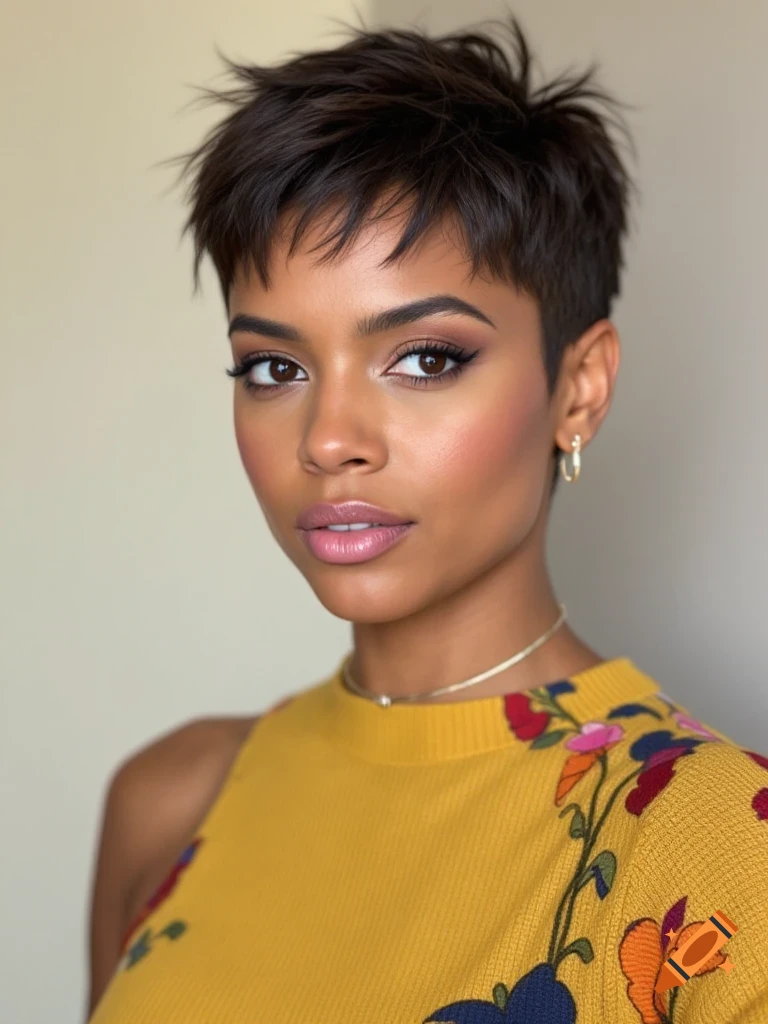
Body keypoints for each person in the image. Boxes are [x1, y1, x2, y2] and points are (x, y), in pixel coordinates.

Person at [85, 11, 768, 1024]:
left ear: (578, 388)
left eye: (425, 358)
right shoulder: (174, 800)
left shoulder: (722, 856)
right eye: (275, 367)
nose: (329, 438)